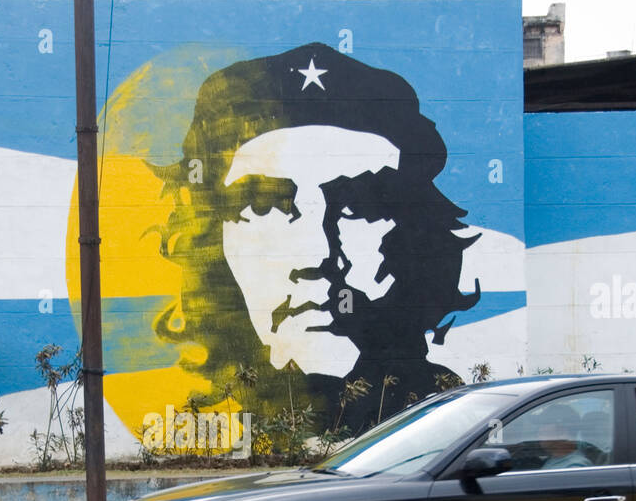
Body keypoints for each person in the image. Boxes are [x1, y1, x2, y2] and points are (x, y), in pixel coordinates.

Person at [151, 42, 480, 434]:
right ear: (210, 240)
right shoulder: (205, 415)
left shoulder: (447, 424)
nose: (317, 254)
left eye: (359, 209)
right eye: (263, 205)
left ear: (417, 232)